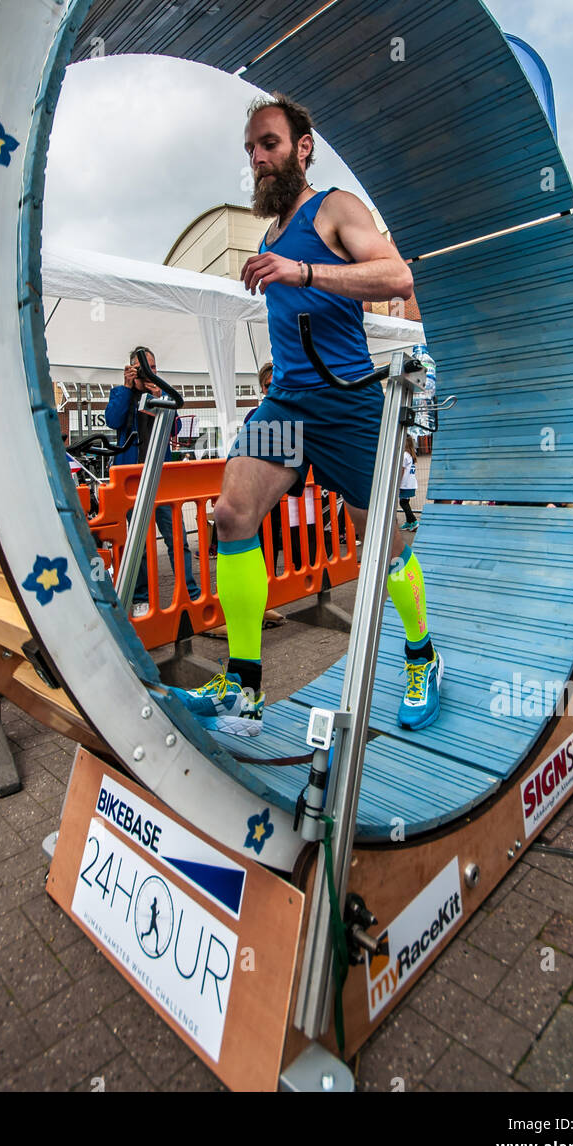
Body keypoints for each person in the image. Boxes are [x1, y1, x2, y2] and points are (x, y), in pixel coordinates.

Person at [167, 92, 441, 735]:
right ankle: (243, 691)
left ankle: (423, 656)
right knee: (232, 513)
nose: (259, 159)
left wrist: (303, 271)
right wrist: (280, 267)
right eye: (251, 150)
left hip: (348, 402)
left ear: (302, 148)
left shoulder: (335, 208)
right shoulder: (268, 231)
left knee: (384, 544)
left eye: (269, 144)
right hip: (289, 400)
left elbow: (398, 277)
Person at [105, 346, 201, 616]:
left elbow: (176, 428)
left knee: (177, 538)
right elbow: (113, 421)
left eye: (154, 368)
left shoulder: (164, 394)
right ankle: (140, 597)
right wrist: (127, 388)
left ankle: (190, 593)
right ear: (131, 370)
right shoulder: (121, 394)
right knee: (139, 544)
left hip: (162, 480)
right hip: (133, 482)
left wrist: (158, 393)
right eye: (143, 368)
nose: (150, 373)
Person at [399, 437, 419, 530]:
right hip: (411, 483)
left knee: (403, 503)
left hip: (405, 484)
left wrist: (398, 482)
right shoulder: (412, 454)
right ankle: (408, 522)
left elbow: (402, 470)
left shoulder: (405, 455)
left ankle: (414, 521)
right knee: (405, 501)